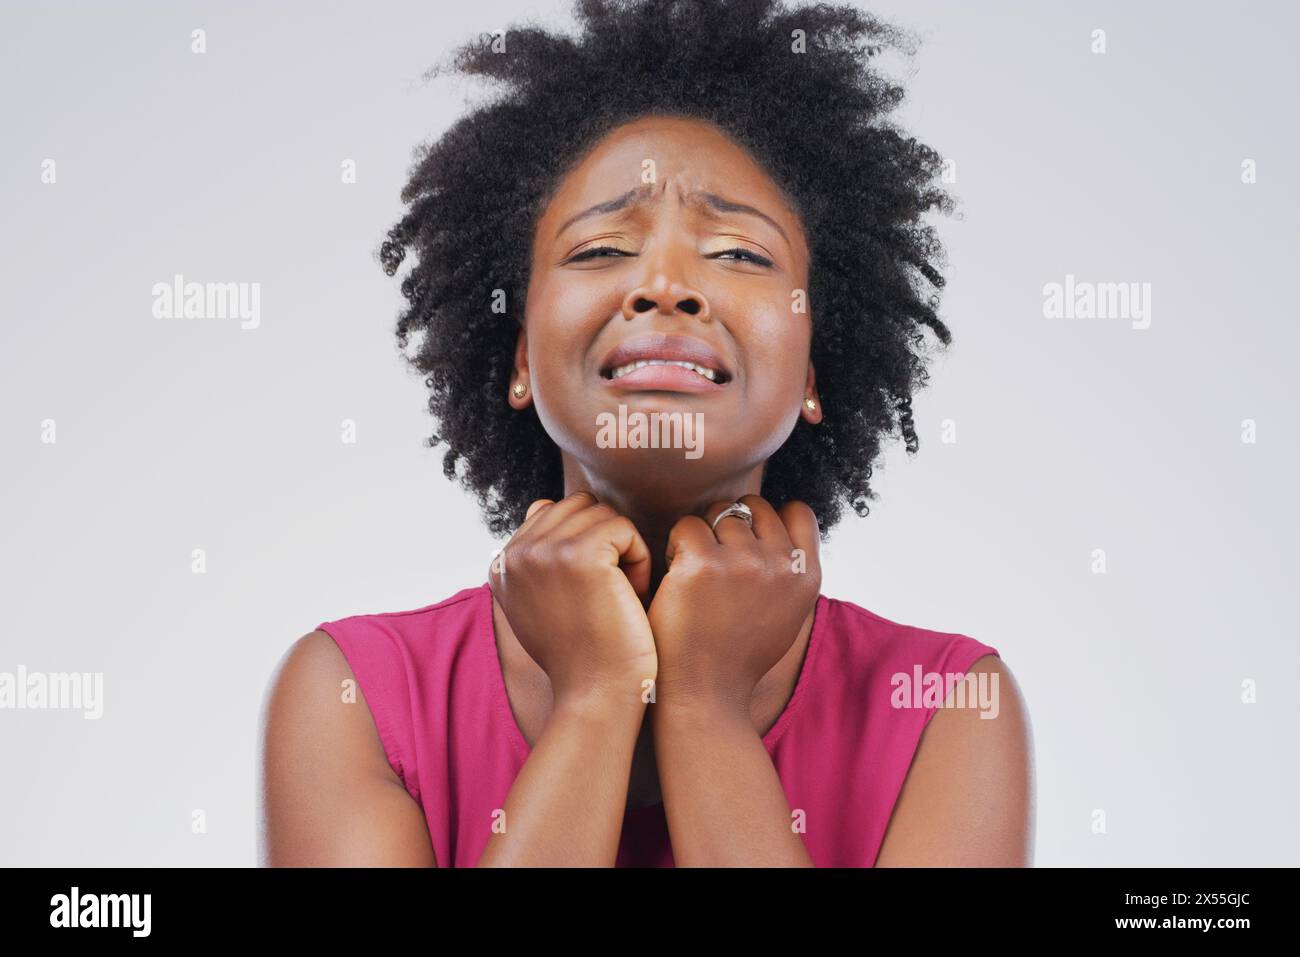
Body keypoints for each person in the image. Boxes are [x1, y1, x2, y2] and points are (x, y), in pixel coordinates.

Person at [259, 0, 1033, 867]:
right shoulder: (354, 692)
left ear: (814, 369)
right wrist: (595, 696)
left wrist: (704, 704)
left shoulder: (947, 707)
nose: (666, 284)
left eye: (740, 254)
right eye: (598, 252)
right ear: (517, 357)